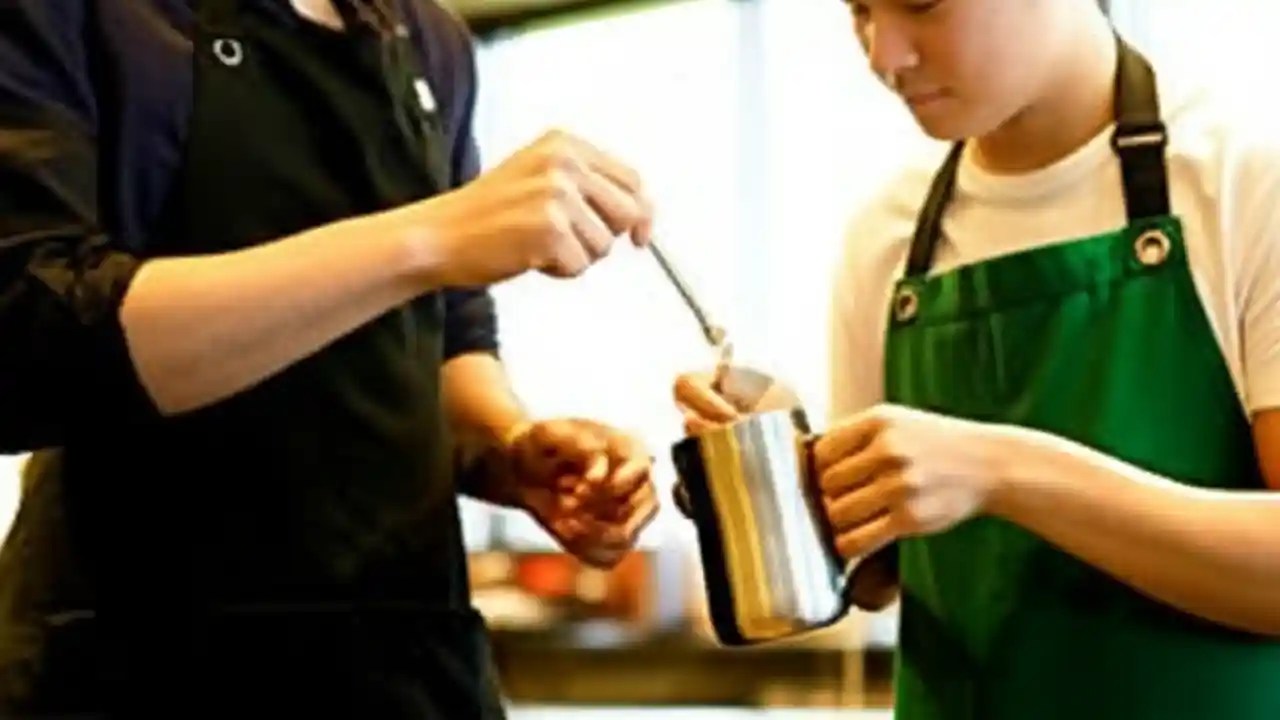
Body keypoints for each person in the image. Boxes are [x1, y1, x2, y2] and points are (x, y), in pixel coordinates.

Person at [0, 0, 658, 717]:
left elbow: (449, 335)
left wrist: (510, 444)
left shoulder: (429, 40)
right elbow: (31, 339)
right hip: (142, 656)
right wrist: (428, 238)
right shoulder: (86, 16)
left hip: (407, 665)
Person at [675, 0, 1280, 717]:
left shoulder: (1245, 185)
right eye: (859, 10)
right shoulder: (888, 236)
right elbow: (876, 576)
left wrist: (1002, 472)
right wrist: (783, 467)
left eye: (921, 3)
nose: (882, 54)